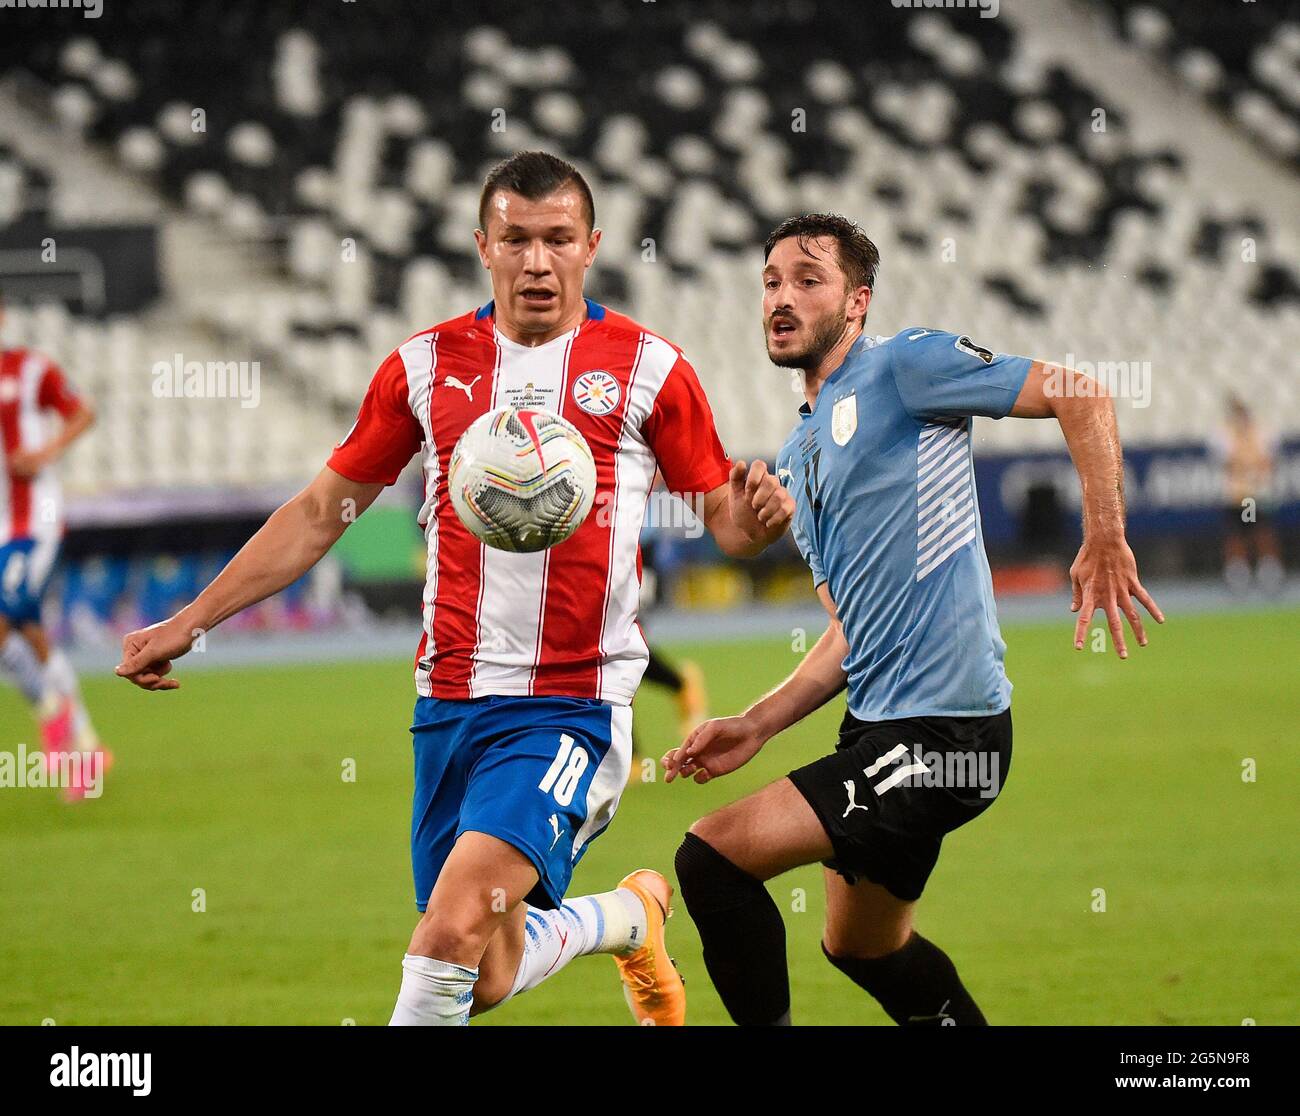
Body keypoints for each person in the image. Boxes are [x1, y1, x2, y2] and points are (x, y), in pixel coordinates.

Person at [116, 151, 794, 1026]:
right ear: (484, 246)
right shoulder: (427, 366)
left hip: (571, 705)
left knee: (448, 932)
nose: (537, 261)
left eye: (558, 239)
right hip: (448, 704)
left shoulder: (649, 368)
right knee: (484, 975)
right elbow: (325, 509)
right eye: (516, 239)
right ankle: (631, 917)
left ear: (593, 246)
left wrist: (756, 518)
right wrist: (192, 620)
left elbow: (727, 520)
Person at [664, 213, 1163, 1026]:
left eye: (807, 279)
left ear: (856, 303)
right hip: (879, 729)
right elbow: (849, 635)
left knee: (711, 859)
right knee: (862, 947)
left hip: (948, 736)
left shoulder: (906, 366)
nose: (782, 298)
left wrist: (1105, 533)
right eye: (770, 282)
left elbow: (1081, 392)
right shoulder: (796, 461)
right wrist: (757, 723)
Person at [0, 289, 105, 801]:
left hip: (33, 521)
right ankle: (78, 737)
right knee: (11, 634)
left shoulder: (29, 369)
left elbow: (85, 410)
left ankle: (62, 727)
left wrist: (45, 451)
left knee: (13, 608)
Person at [1211, 395, 1283, 593]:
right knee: (1236, 534)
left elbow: (1266, 463)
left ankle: (1268, 570)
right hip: (1236, 495)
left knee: (1261, 532)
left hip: (1256, 495)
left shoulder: (1261, 434)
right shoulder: (1225, 435)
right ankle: (1238, 572)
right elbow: (1229, 463)